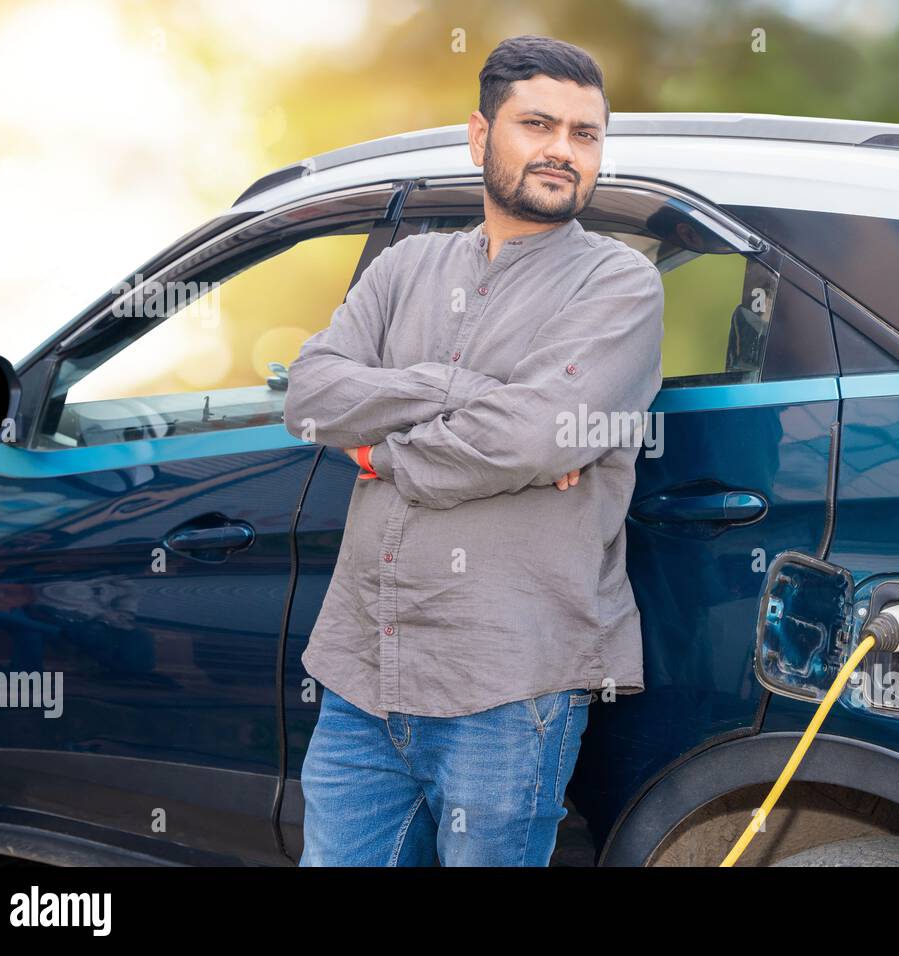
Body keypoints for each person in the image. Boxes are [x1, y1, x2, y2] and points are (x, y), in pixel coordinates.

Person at [283, 34, 665, 866]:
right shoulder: (403, 266)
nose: (563, 150)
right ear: (479, 135)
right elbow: (312, 395)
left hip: (508, 684)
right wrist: (460, 391)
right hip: (359, 670)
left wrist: (382, 453)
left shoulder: (620, 285)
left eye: (585, 134)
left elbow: (533, 434)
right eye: (538, 125)